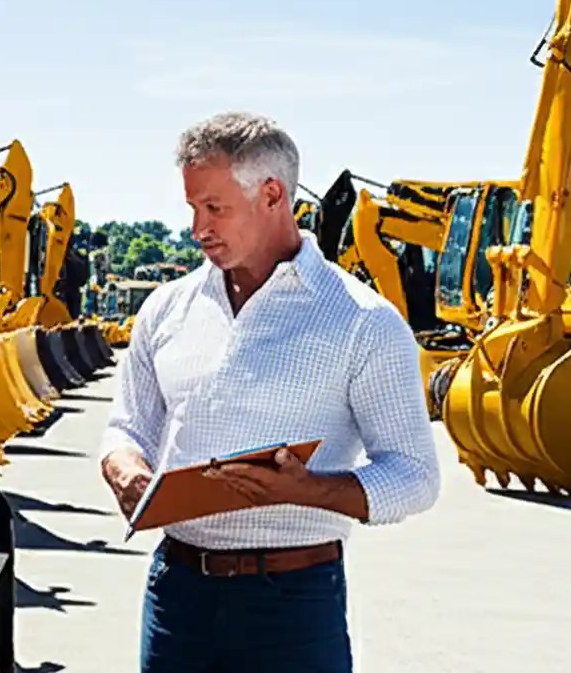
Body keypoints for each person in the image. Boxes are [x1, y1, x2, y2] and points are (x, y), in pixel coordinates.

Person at [98, 110, 441, 672]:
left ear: (273, 195)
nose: (197, 229)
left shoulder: (362, 322)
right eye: (192, 208)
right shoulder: (166, 309)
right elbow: (127, 425)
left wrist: (307, 489)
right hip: (176, 592)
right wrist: (125, 468)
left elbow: (415, 475)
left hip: (292, 605)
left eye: (215, 208)